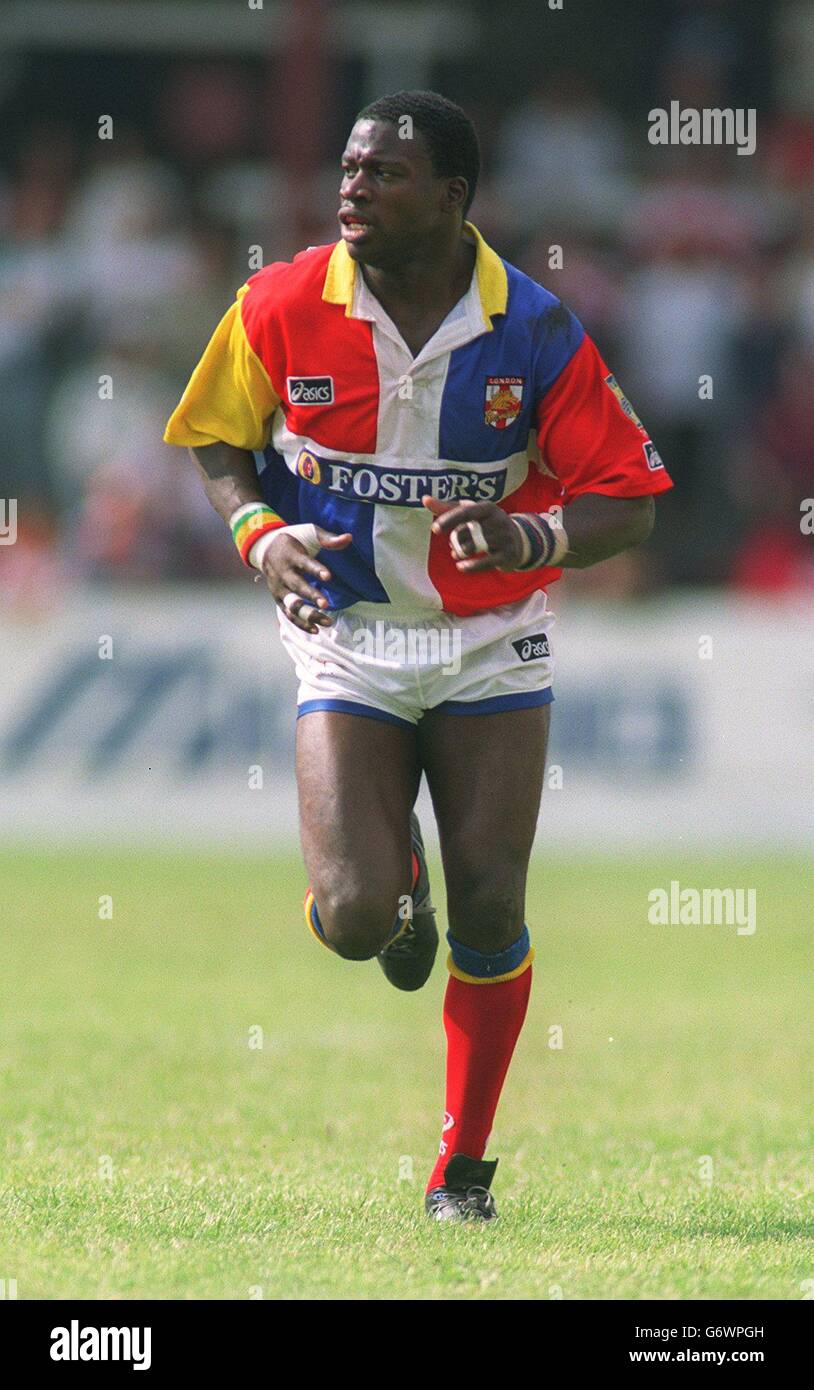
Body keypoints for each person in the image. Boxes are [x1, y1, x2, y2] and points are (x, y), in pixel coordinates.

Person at [164, 90, 672, 1222]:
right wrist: (258, 530)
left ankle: (462, 1172)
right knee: (354, 916)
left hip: (490, 642)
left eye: (384, 173)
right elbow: (213, 436)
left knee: (490, 905)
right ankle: (397, 890)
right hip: (350, 639)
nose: (353, 189)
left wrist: (534, 537)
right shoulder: (279, 303)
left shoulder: (532, 327)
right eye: (350, 168)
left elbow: (627, 500)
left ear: (452, 197)